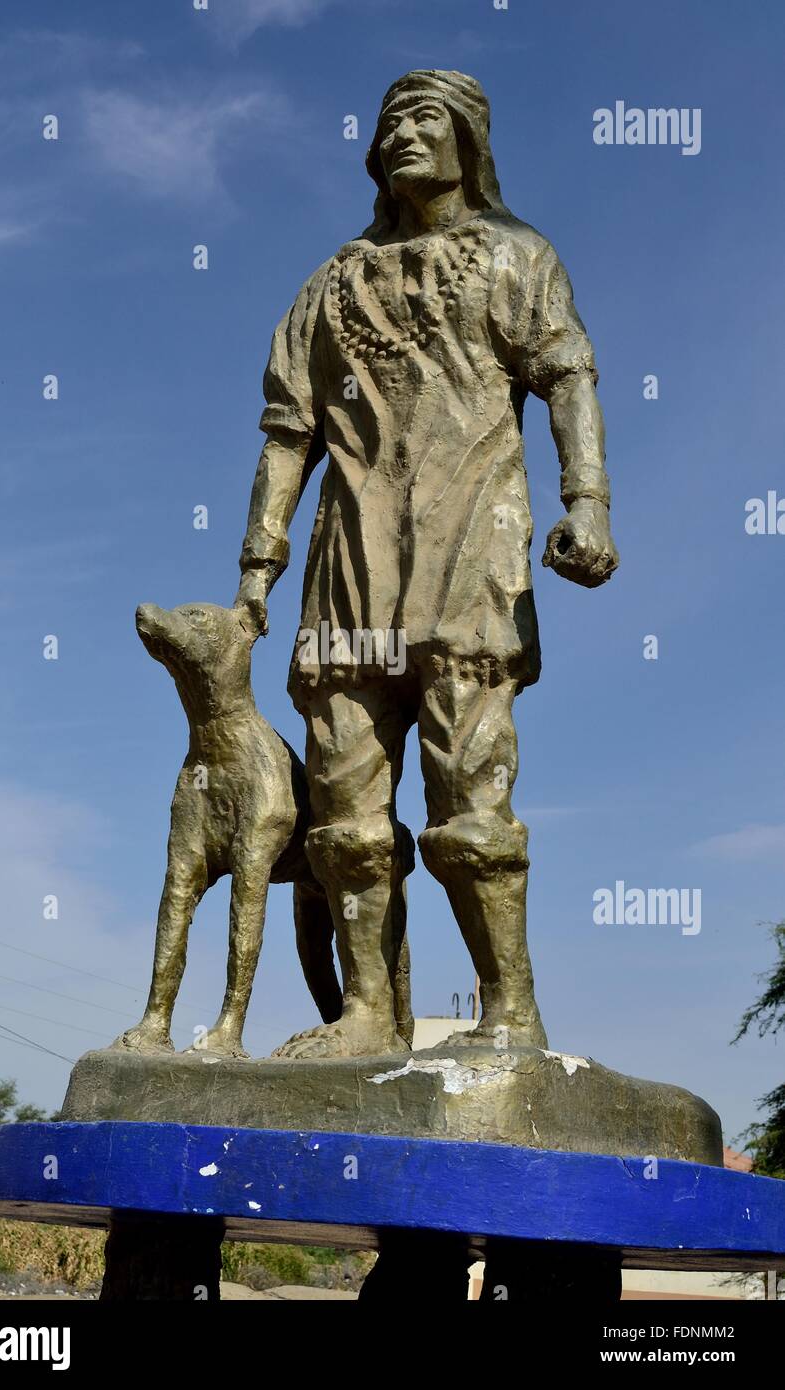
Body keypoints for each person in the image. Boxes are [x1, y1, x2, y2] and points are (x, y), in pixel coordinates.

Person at [235, 70, 618, 1058]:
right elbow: (288, 431)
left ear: (467, 143)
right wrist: (256, 566)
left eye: (426, 118)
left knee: (470, 785)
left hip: (468, 558)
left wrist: (587, 501)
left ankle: (509, 1014)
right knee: (345, 801)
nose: (403, 132)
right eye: (390, 121)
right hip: (348, 563)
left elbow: (566, 373)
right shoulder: (329, 283)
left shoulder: (514, 256)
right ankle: (366, 1014)